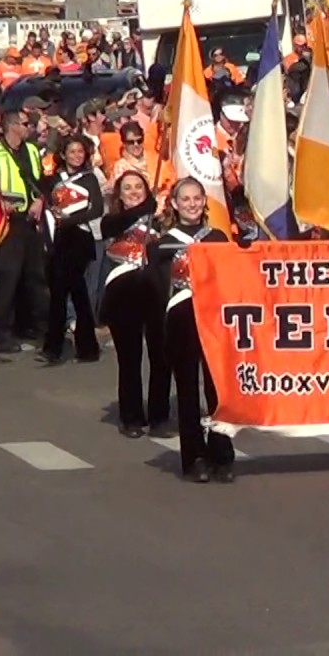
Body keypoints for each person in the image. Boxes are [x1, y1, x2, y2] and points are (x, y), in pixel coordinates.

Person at [147, 178, 235, 483]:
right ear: (174, 204)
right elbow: (157, 289)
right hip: (181, 318)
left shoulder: (218, 237)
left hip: (214, 320)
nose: (192, 204)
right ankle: (194, 457)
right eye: (185, 199)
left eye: (197, 198)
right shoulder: (162, 244)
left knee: (218, 390)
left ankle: (222, 454)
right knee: (187, 390)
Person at [101, 171, 170, 439]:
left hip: (155, 292)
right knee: (129, 359)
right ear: (119, 194)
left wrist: (158, 212)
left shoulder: (160, 219)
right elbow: (113, 228)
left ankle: (159, 416)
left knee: (161, 357)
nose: (133, 191)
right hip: (123, 293)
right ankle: (130, 417)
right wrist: (145, 207)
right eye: (127, 188)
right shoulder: (112, 220)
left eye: (139, 187)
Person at [39, 135, 103, 364]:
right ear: (63, 154)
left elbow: (97, 209)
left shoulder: (89, 179)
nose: (77, 156)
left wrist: (70, 219)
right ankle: (57, 346)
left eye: (80, 152)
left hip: (79, 238)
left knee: (76, 289)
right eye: (72, 151)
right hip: (58, 240)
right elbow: (42, 198)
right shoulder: (53, 179)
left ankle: (81, 347)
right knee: (60, 291)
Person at [0, 110, 49, 354]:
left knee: (35, 275)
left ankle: (39, 328)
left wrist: (40, 200)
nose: (29, 128)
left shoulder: (32, 151)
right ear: (12, 126)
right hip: (7, 221)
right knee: (8, 277)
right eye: (25, 124)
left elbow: (41, 181)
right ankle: (2, 331)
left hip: (30, 219)